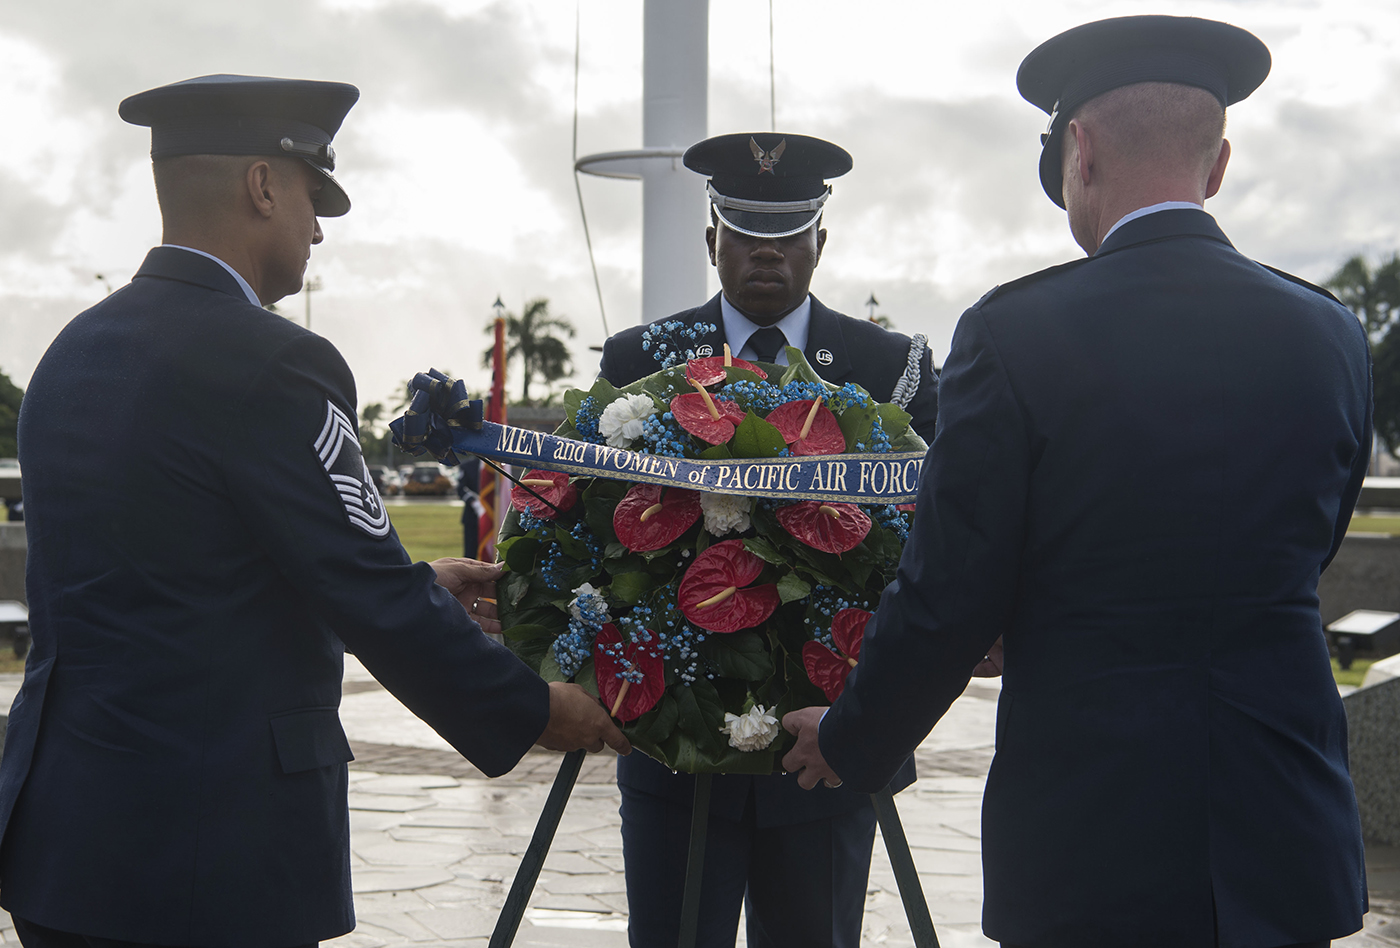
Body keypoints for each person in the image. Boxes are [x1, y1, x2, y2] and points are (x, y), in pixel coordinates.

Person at [0, 75, 629, 948]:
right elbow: (366, 591)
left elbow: (183, 580)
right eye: (311, 196)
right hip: (209, 854)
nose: (319, 228)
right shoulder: (274, 362)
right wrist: (537, 709)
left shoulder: (71, 354)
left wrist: (418, 582)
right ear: (263, 186)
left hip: (65, 842)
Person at [782, 15, 1371, 948]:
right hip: (1284, 825)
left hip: (1093, 831)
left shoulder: (1016, 334)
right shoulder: (1330, 334)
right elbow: (1312, 538)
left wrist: (854, 739)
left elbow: (949, 594)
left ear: (1077, 152)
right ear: (1218, 164)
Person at [598, 132, 938, 948]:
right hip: (673, 746)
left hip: (828, 745)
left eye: (787, 233)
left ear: (820, 240)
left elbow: (932, 550)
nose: (766, 252)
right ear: (712, 238)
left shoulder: (888, 366)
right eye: (746, 231)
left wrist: (877, 712)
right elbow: (599, 538)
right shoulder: (639, 359)